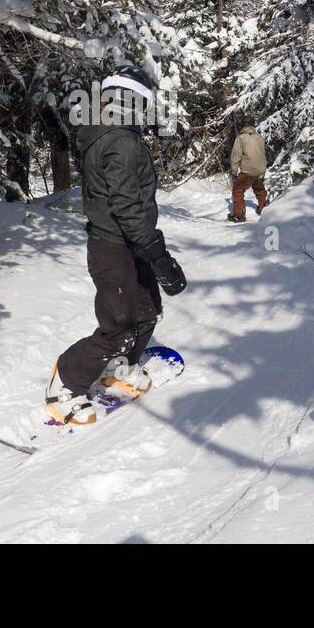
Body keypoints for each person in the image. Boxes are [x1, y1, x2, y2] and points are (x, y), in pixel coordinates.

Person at [45, 64, 187, 425]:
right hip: (114, 245)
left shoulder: (107, 133)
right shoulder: (121, 141)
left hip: (126, 242)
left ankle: (121, 369)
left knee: (147, 309)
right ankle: (66, 382)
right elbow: (126, 207)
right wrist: (159, 257)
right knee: (118, 325)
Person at [228, 123, 269, 222]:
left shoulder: (240, 138)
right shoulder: (259, 137)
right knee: (259, 188)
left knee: (237, 190)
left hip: (248, 170)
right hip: (260, 169)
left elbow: (236, 155)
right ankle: (263, 207)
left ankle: (238, 214)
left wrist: (234, 171)